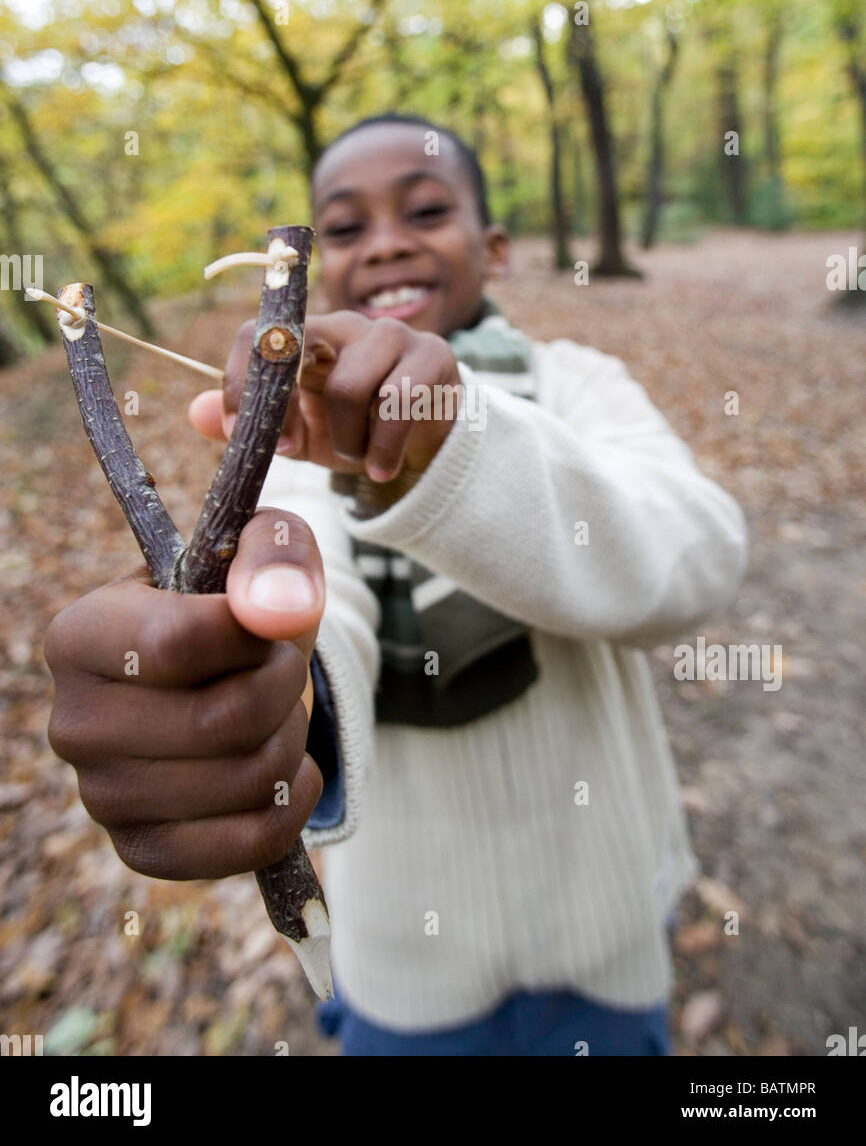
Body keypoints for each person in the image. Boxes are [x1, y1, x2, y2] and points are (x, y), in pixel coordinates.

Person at [45, 112, 748, 1056]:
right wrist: (257, 684)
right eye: (343, 228)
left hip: (606, 938)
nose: (385, 242)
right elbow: (314, 596)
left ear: (493, 248)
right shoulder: (295, 454)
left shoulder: (580, 385)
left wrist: (449, 452)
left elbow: (695, 558)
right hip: (405, 978)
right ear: (321, 269)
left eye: (425, 211)